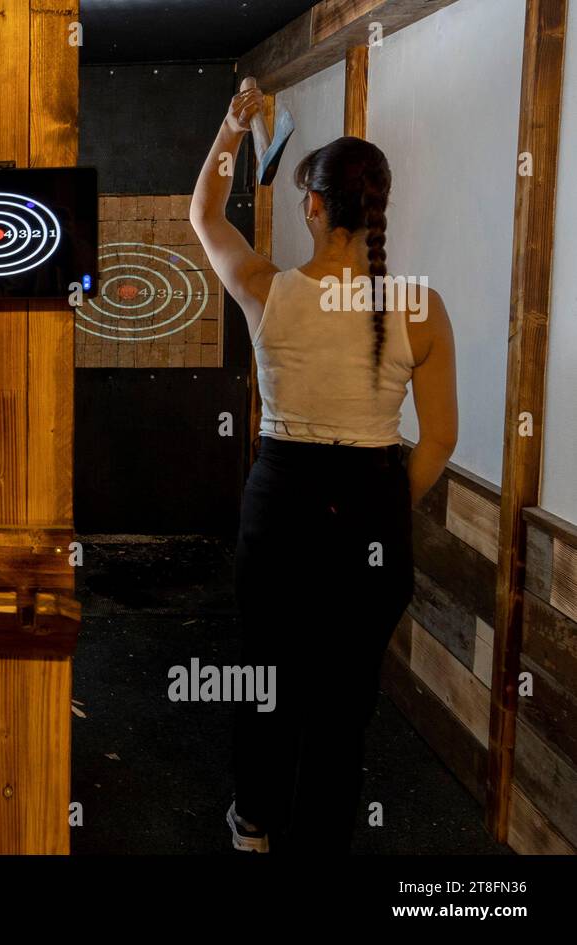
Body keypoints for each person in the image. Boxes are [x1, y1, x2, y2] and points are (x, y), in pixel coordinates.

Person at [190, 88, 459, 853]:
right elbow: (439, 439)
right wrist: (377, 508)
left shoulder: (267, 289)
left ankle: (254, 823)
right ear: (378, 210)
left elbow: (204, 217)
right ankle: (320, 837)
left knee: (268, 679)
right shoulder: (420, 306)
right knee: (344, 701)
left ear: (311, 206)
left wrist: (234, 122)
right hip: (370, 505)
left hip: (282, 504)